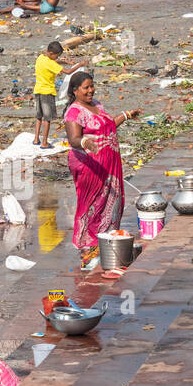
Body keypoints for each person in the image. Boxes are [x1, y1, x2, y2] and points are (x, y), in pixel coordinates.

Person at [64, 70, 140, 269]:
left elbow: (106, 126)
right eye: (86, 87)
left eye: (92, 86)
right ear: (75, 90)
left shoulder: (97, 105)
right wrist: (84, 142)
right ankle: (87, 249)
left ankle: (104, 244)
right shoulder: (74, 111)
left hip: (110, 165)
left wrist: (125, 115)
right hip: (90, 165)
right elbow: (73, 139)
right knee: (91, 204)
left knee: (111, 202)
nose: (91, 90)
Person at [33, 41, 87, 149]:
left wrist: (63, 62)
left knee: (39, 117)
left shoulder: (41, 57)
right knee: (47, 119)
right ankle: (44, 143)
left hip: (37, 91)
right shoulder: (51, 63)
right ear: (52, 53)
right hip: (47, 92)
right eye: (56, 56)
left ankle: (36, 139)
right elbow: (67, 72)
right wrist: (80, 65)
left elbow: (54, 63)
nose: (56, 58)